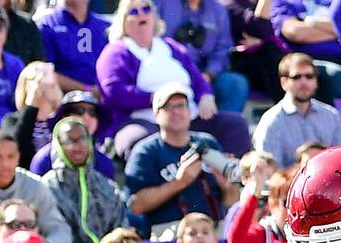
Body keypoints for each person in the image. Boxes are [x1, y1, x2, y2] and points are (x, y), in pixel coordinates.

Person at [97, 2, 252, 160]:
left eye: (146, 9)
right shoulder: (116, 52)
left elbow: (197, 79)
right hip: (144, 119)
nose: (141, 14)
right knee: (136, 141)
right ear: (123, 21)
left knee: (235, 125)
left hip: (187, 115)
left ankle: (233, 176)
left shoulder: (171, 47)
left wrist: (206, 96)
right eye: (133, 11)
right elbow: (113, 91)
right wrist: (157, 99)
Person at [125, 84, 240, 239]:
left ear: (189, 111)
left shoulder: (207, 143)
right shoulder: (146, 151)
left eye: (181, 106)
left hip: (212, 231)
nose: (176, 111)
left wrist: (227, 187)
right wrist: (179, 183)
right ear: (156, 114)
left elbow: (232, 201)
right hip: (168, 236)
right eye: (168, 107)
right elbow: (135, 206)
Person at [41, 116, 127, 243]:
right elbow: (55, 234)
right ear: (58, 146)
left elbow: (121, 228)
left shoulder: (106, 186)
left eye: (82, 139)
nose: (77, 146)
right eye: (70, 140)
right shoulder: (48, 187)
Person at [253, 52, 341, 171]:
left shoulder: (332, 116)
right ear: (283, 82)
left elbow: (340, 165)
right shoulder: (270, 121)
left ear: (316, 81)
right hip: (286, 188)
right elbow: (270, 174)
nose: (304, 82)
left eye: (309, 76)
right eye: (296, 77)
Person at [155, 0, 248, 113]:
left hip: (204, 73)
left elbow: (223, 49)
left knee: (236, 83)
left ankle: (221, 127)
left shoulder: (218, 10)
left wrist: (209, 74)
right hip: (170, 73)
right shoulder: (161, 4)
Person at [270, 0, 341, 105]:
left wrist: (311, 22)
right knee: (335, 74)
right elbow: (296, 32)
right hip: (306, 61)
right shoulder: (286, 2)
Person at [228, 164, 295, 243]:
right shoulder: (263, 233)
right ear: (273, 205)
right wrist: (255, 194)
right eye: (286, 203)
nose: (292, 209)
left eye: (296, 202)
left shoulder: (305, 237)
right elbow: (237, 240)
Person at [27, 90, 114, 178]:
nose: (86, 117)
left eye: (93, 112)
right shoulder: (43, 160)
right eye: (79, 111)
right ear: (63, 117)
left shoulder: (104, 163)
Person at [36, 0, 110, 94]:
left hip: (105, 100)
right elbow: (45, 72)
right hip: (64, 101)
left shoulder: (106, 27)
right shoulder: (46, 25)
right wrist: (87, 90)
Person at [1, 59, 61, 168]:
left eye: (47, 76)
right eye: (35, 79)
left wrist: (58, 102)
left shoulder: (62, 117)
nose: (42, 83)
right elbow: (16, 145)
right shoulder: (10, 120)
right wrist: (32, 104)